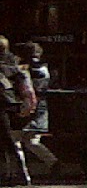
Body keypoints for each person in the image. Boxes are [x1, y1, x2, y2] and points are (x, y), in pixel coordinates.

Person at [0, 36, 36, 187]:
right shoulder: (11, 62)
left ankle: (19, 173)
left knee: (8, 140)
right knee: (7, 140)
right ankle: (13, 173)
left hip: (4, 104)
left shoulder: (7, 64)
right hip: (9, 104)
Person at [17, 43, 55, 178]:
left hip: (32, 106)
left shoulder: (37, 70)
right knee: (29, 140)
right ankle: (52, 163)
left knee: (24, 139)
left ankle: (53, 164)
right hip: (36, 105)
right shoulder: (43, 68)